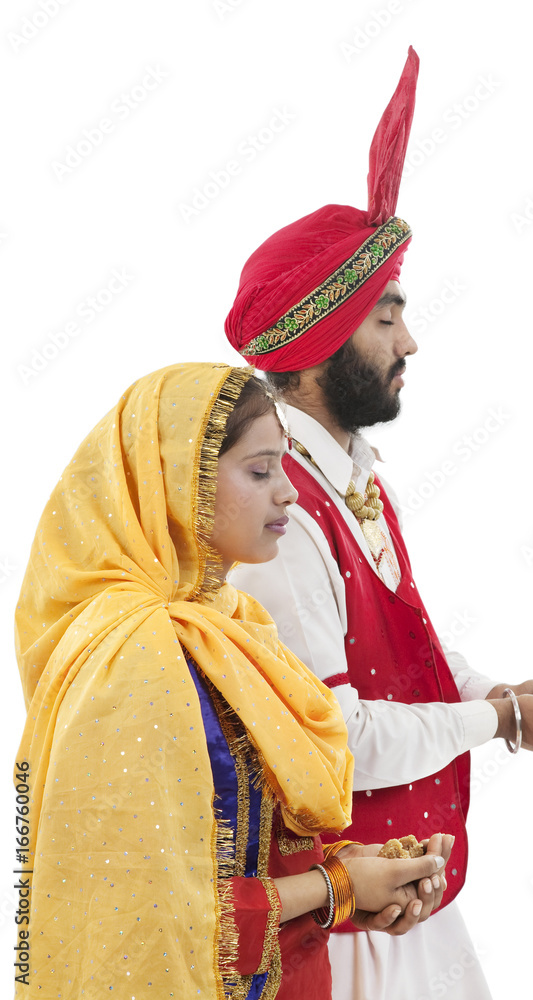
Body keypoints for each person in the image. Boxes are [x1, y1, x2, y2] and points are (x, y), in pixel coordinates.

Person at [226, 49, 533, 999]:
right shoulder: (276, 523)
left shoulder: (358, 480)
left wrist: (503, 699)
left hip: (412, 895)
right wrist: (499, 718)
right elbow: (341, 735)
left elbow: (408, 654)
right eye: (386, 317)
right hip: (344, 923)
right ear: (319, 345)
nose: (408, 342)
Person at [13, 362, 454, 999]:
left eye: (283, 466)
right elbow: (154, 921)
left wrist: (360, 871)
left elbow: (244, 846)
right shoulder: (136, 661)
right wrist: (338, 887)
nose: (289, 492)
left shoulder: (230, 623)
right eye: (260, 470)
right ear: (178, 484)